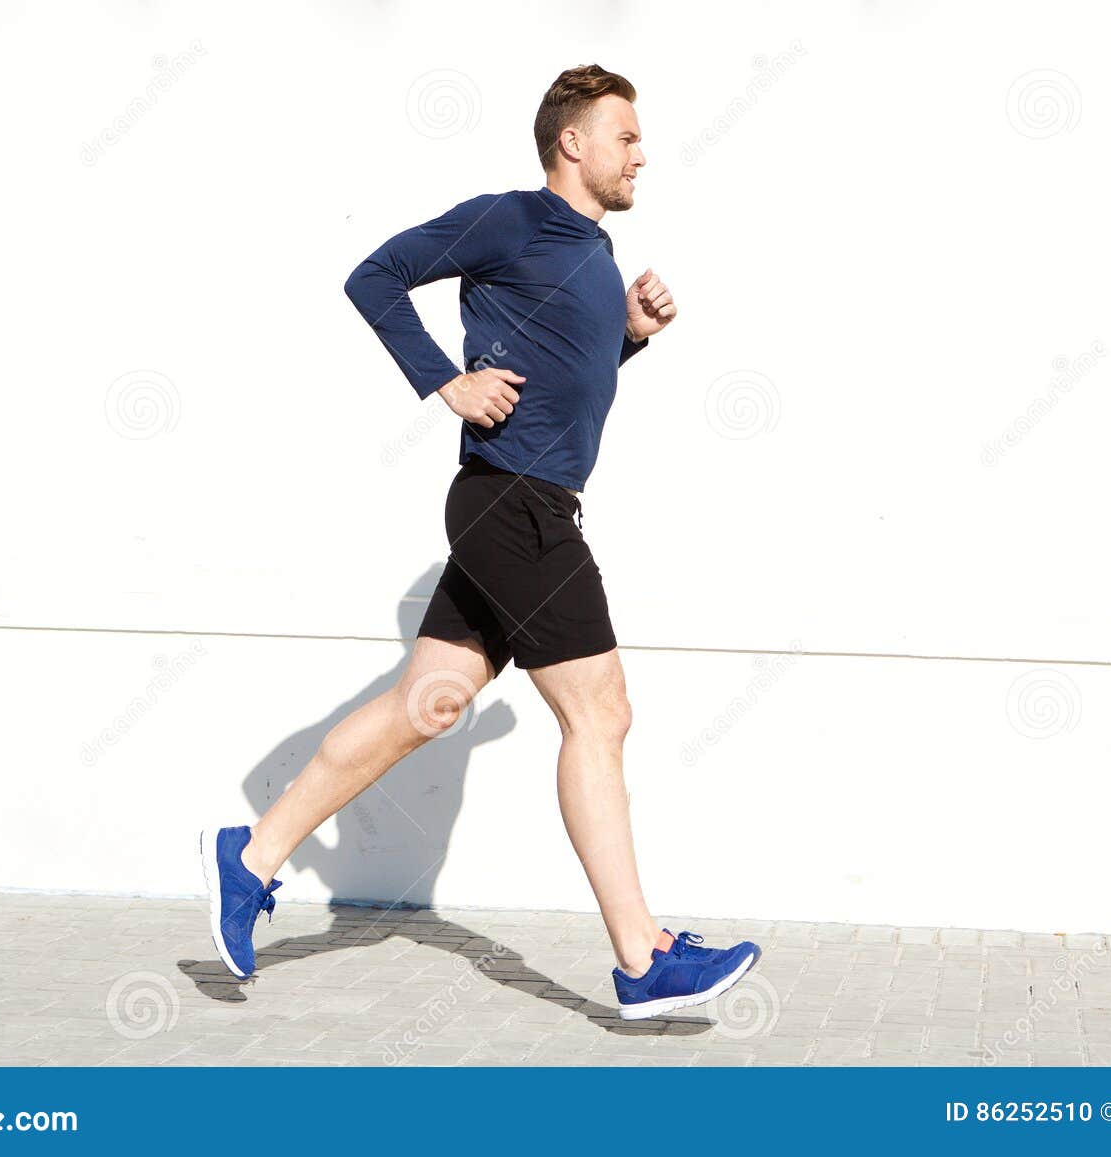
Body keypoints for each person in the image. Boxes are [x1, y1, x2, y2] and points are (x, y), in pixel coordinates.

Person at [202, 64, 760, 1020]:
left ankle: (248, 859)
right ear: (571, 143)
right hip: (516, 509)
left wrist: (629, 333)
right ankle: (640, 958)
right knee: (602, 715)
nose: (641, 153)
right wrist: (443, 383)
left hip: (519, 505)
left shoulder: (590, 254)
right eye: (625, 135)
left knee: (428, 703)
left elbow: (564, 377)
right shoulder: (511, 219)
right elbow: (372, 275)